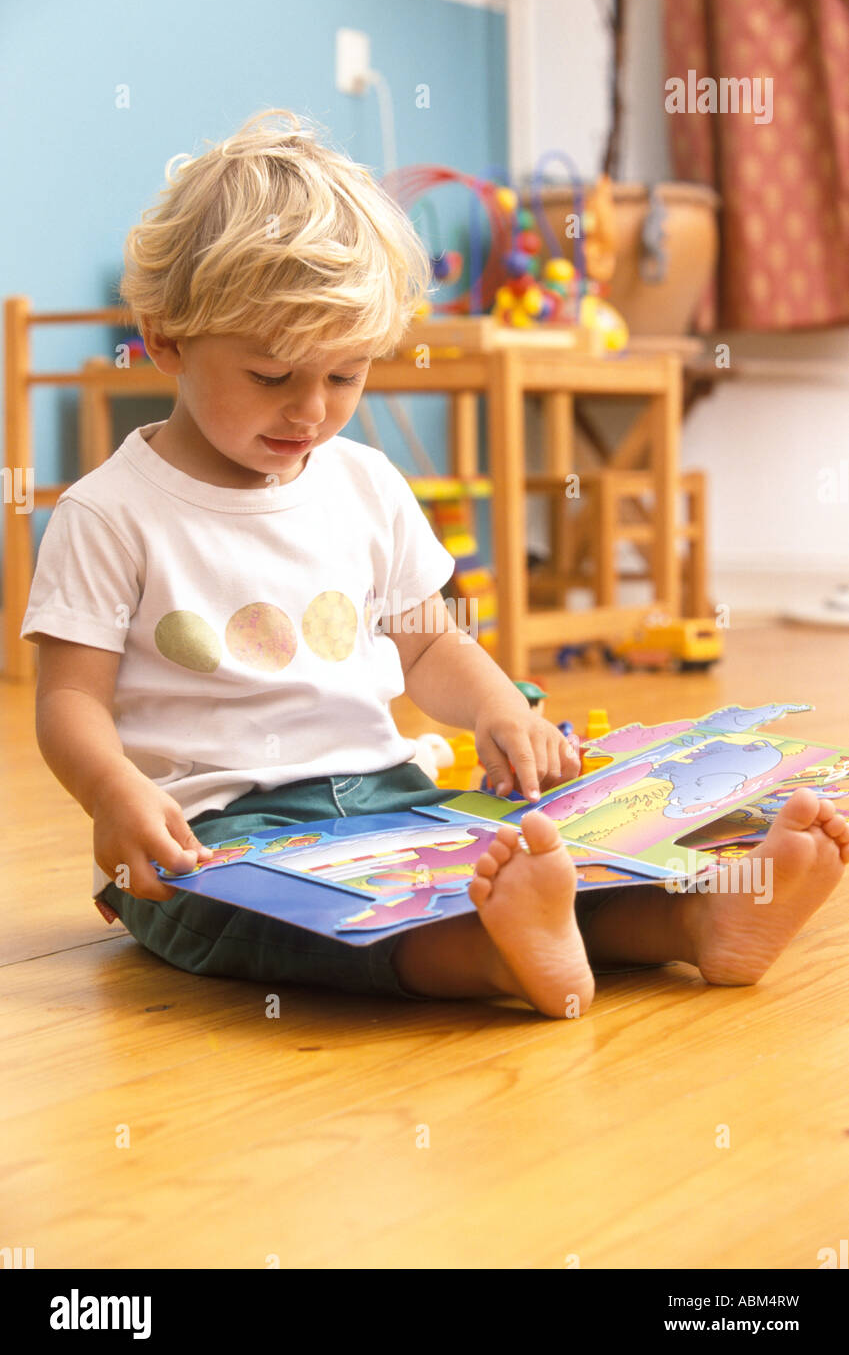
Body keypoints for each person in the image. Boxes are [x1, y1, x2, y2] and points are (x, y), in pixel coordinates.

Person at [21, 110, 849, 1019]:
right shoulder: (109, 512)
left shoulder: (364, 483)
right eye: (272, 377)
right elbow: (68, 701)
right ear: (166, 338)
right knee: (313, 920)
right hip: (215, 832)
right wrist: (115, 791)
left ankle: (697, 924)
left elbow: (426, 647)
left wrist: (499, 708)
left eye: (345, 377)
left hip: (393, 794)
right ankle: (503, 960)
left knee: (523, 866)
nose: (311, 411)